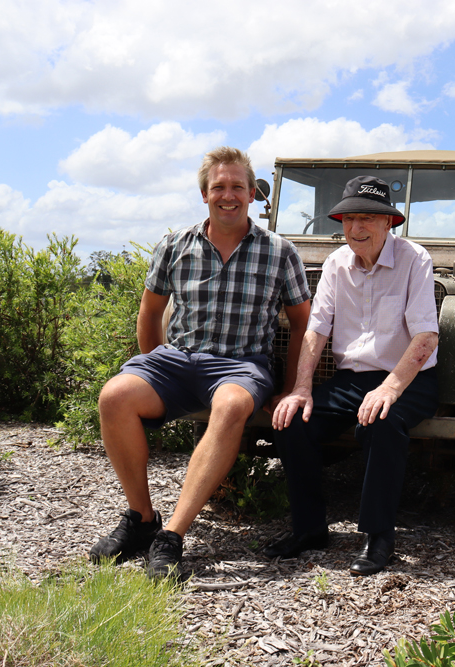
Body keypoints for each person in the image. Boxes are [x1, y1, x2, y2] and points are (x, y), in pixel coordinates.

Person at [89, 146, 311, 580]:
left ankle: (170, 536)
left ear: (252, 194)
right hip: (177, 359)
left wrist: (289, 387)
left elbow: (302, 323)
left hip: (241, 365)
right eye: (218, 187)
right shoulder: (175, 245)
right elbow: (151, 311)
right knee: (115, 395)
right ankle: (141, 519)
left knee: (231, 405)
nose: (228, 195)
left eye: (238, 187)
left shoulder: (279, 251)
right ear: (205, 194)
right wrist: (152, 368)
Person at [267, 175, 439, 576]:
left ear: (388, 222)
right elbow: (316, 329)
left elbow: (426, 336)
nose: (356, 228)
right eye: (348, 219)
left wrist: (389, 388)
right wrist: (301, 389)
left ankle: (379, 537)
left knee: (381, 421)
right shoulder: (335, 263)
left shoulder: (415, 259)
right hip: (352, 380)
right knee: (292, 421)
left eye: (367, 218)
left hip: (408, 380)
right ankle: (309, 529)